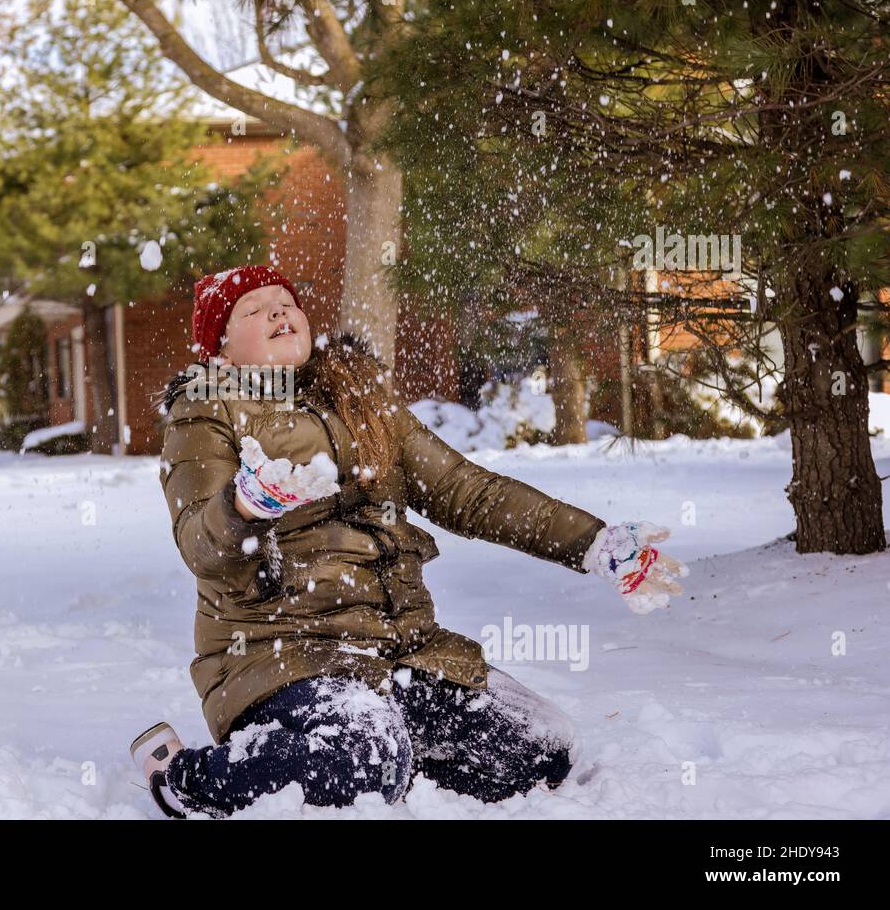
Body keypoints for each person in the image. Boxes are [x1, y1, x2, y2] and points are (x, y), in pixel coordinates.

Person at [132, 265, 687, 818]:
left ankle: (384, 750)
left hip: (399, 648)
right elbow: (198, 544)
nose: (278, 311)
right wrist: (243, 507)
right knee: (363, 756)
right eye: (253, 310)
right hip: (280, 654)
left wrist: (591, 543)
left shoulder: (360, 397)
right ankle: (188, 780)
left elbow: (466, 490)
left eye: (285, 301)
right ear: (221, 351)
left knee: (541, 749)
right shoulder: (205, 413)